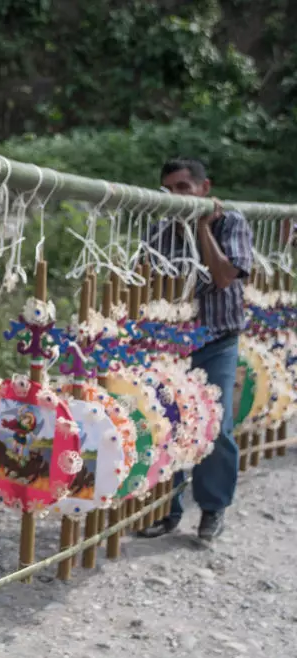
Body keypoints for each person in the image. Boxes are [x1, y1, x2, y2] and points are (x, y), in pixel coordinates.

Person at [138, 157, 252, 541]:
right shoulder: (158, 230)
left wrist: (203, 228)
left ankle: (213, 508)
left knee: (216, 426)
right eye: (168, 191)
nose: (176, 198)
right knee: (165, 421)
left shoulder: (230, 222)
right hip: (170, 345)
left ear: (205, 189)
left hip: (216, 340)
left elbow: (223, 278)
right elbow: (143, 281)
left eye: (183, 189)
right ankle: (165, 509)